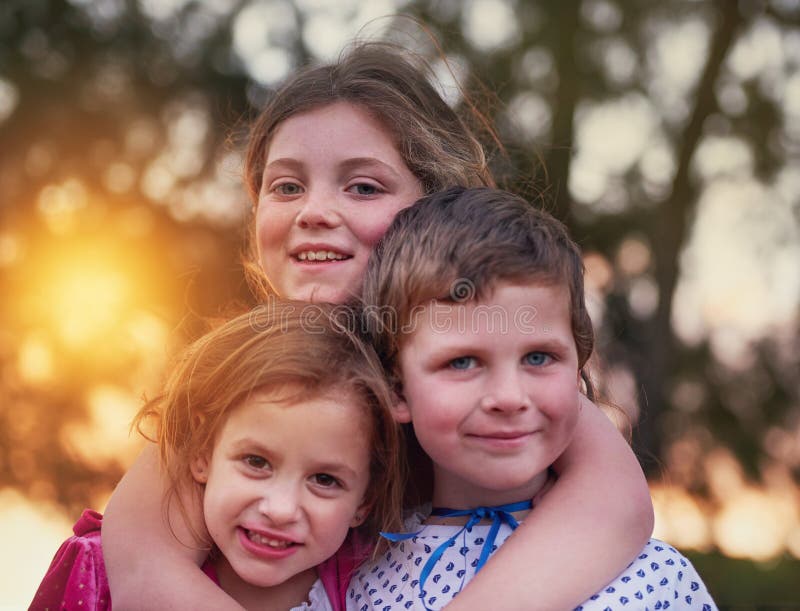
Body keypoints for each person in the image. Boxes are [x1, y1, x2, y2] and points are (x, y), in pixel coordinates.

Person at [102, 42, 654, 611]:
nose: (313, 211)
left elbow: (616, 505)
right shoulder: (243, 377)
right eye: (286, 187)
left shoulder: (490, 362)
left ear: (435, 210)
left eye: (363, 187)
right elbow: (144, 567)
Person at [349, 186, 717, 610]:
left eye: (539, 357)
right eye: (463, 362)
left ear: (577, 372)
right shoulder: (364, 583)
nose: (509, 398)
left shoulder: (654, 577)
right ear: (397, 390)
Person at [31, 302, 404, 611]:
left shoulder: (373, 588)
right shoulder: (98, 573)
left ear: (365, 501)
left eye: (325, 480)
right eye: (256, 462)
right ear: (202, 454)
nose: (280, 509)